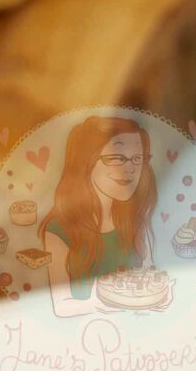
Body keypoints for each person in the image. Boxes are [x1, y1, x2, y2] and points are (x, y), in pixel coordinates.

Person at [42, 116, 157, 319]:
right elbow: (61, 305)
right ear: (87, 160)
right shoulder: (58, 230)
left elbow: (144, 280)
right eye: (117, 158)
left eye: (137, 158)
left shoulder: (133, 221)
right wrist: (113, 300)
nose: (130, 168)